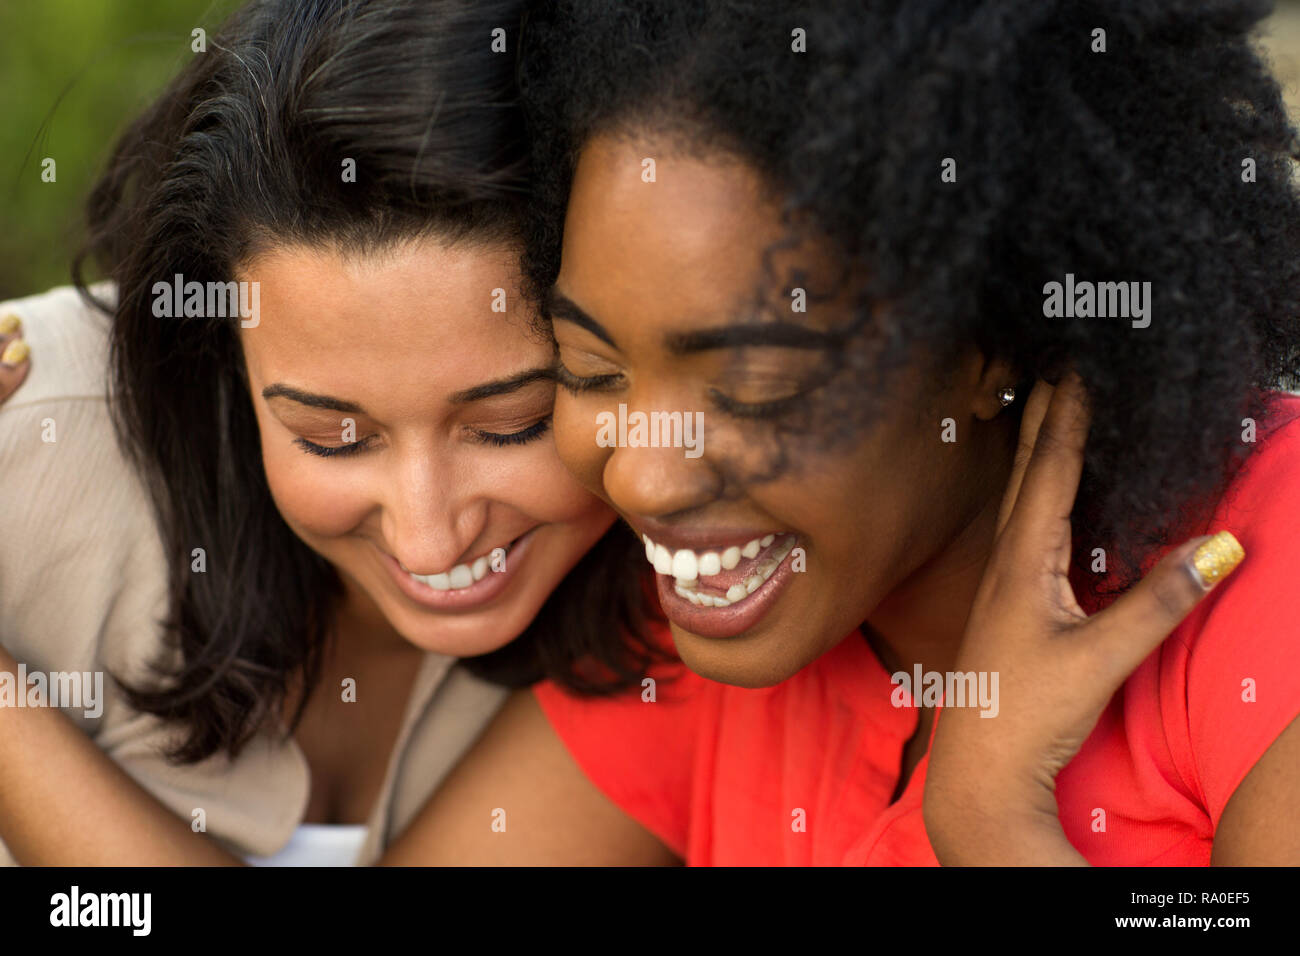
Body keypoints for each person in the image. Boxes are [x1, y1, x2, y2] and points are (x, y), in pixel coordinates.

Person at [393, 0, 1300, 865]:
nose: (643, 480)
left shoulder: (1270, 572)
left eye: (750, 386)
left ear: (994, 345)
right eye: (593, 370)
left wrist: (989, 826)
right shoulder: (697, 622)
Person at [0, 0, 661, 866]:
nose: (431, 538)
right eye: (333, 437)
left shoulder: (697, 580)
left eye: (513, 423)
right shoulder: (31, 450)